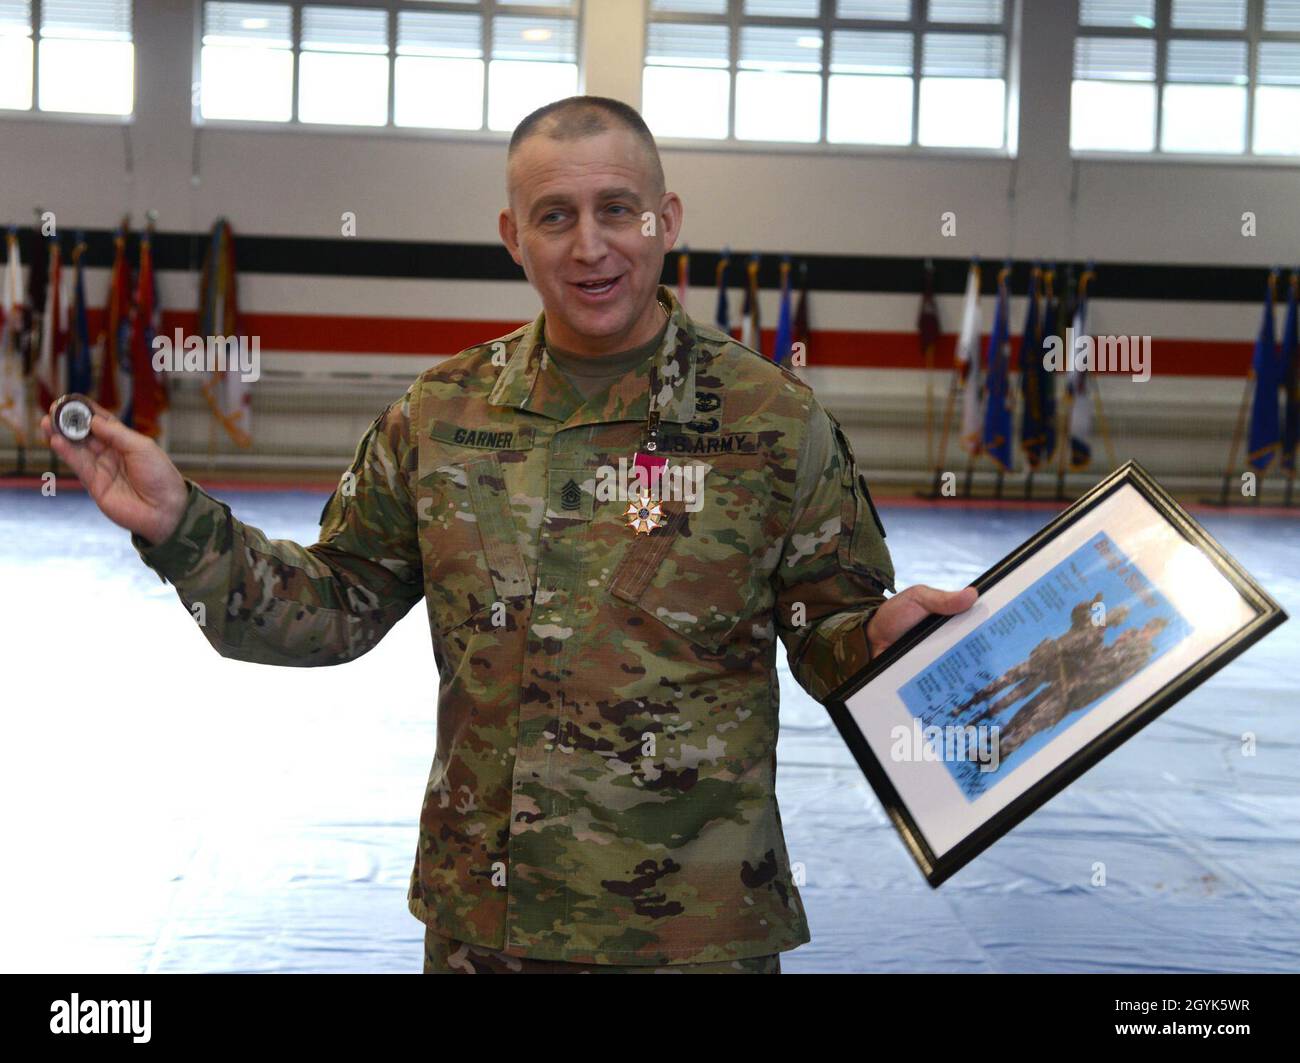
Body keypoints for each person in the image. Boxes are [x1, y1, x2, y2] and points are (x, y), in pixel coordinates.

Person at [41, 95, 977, 974]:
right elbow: (332, 609)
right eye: (555, 216)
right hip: (486, 930)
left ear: (667, 220)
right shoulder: (439, 415)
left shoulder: (774, 422)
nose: (591, 245)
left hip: (696, 934)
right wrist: (182, 528)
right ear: (512, 237)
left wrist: (884, 642)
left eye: (618, 208)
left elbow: (833, 633)